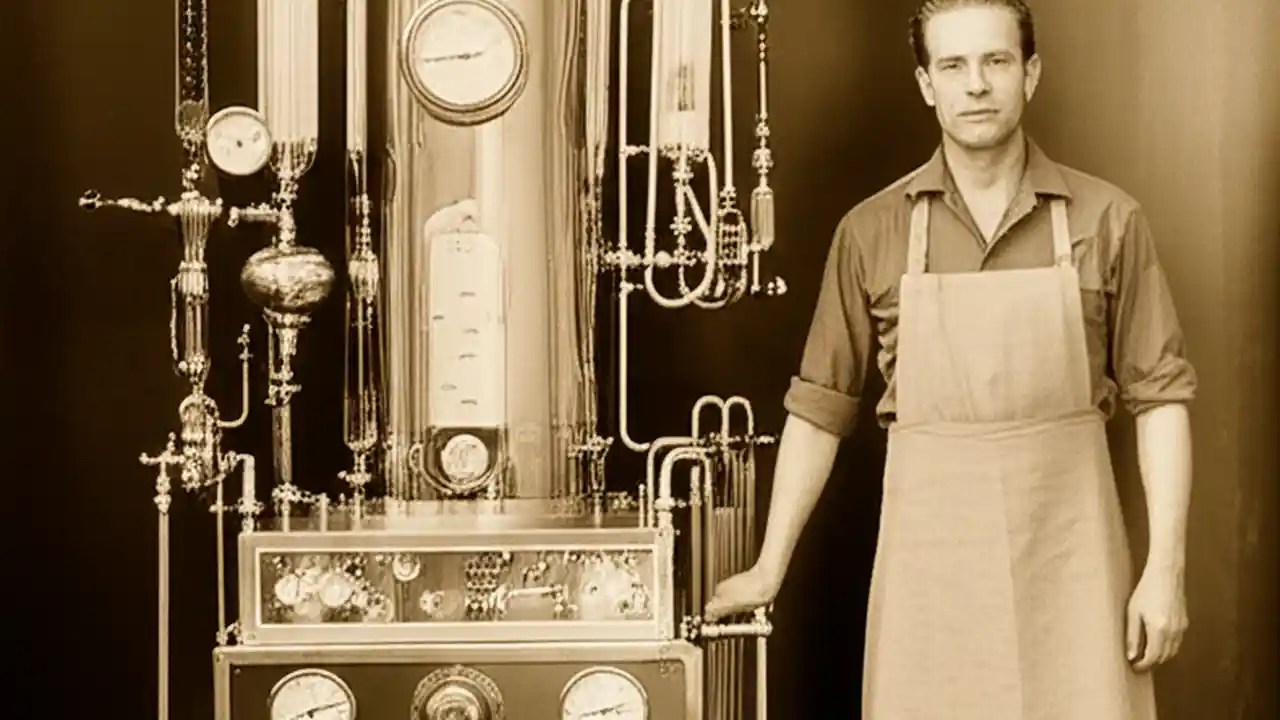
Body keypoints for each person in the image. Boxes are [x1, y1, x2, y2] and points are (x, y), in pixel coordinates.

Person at [703, 1, 1196, 716]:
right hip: (929, 568)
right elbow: (819, 407)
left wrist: (1165, 571)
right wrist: (768, 566)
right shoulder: (871, 230)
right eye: (953, 65)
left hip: (1074, 562)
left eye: (996, 61)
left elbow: (1162, 400)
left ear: (1030, 73)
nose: (976, 85)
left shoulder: (1108, 219)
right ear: (927, 83)